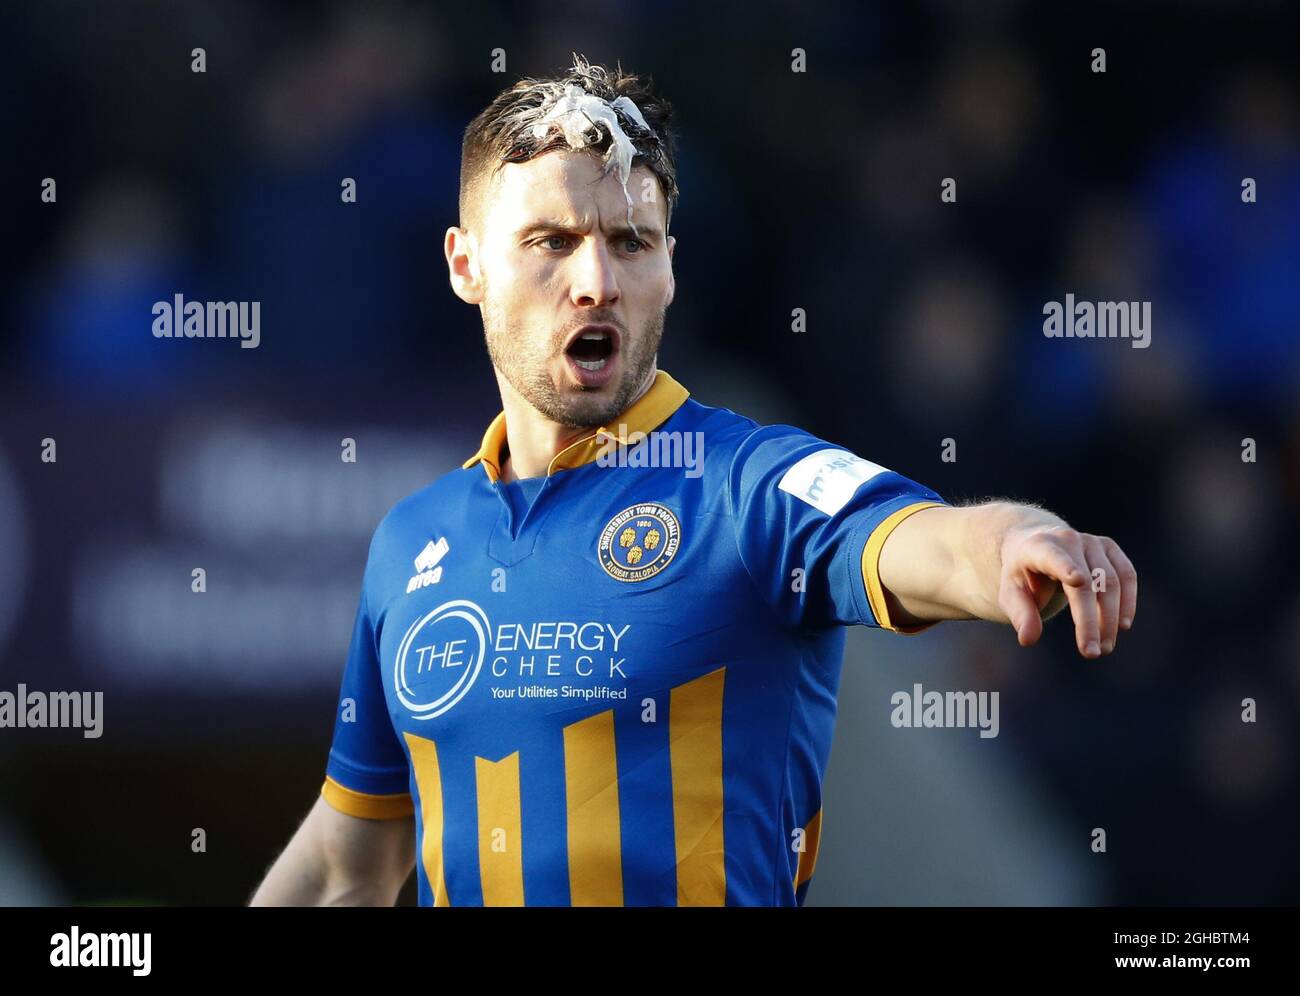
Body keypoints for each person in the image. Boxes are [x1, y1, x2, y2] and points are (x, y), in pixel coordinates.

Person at [250, 54, 1136, 907]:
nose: (595, 281)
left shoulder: (751, 485)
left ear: (668, 269)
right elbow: (345, 866)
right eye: (552, 242)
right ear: (466, 265)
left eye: (630, 243)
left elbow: (917, 539)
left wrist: (1013, 542)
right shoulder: (412, 541)